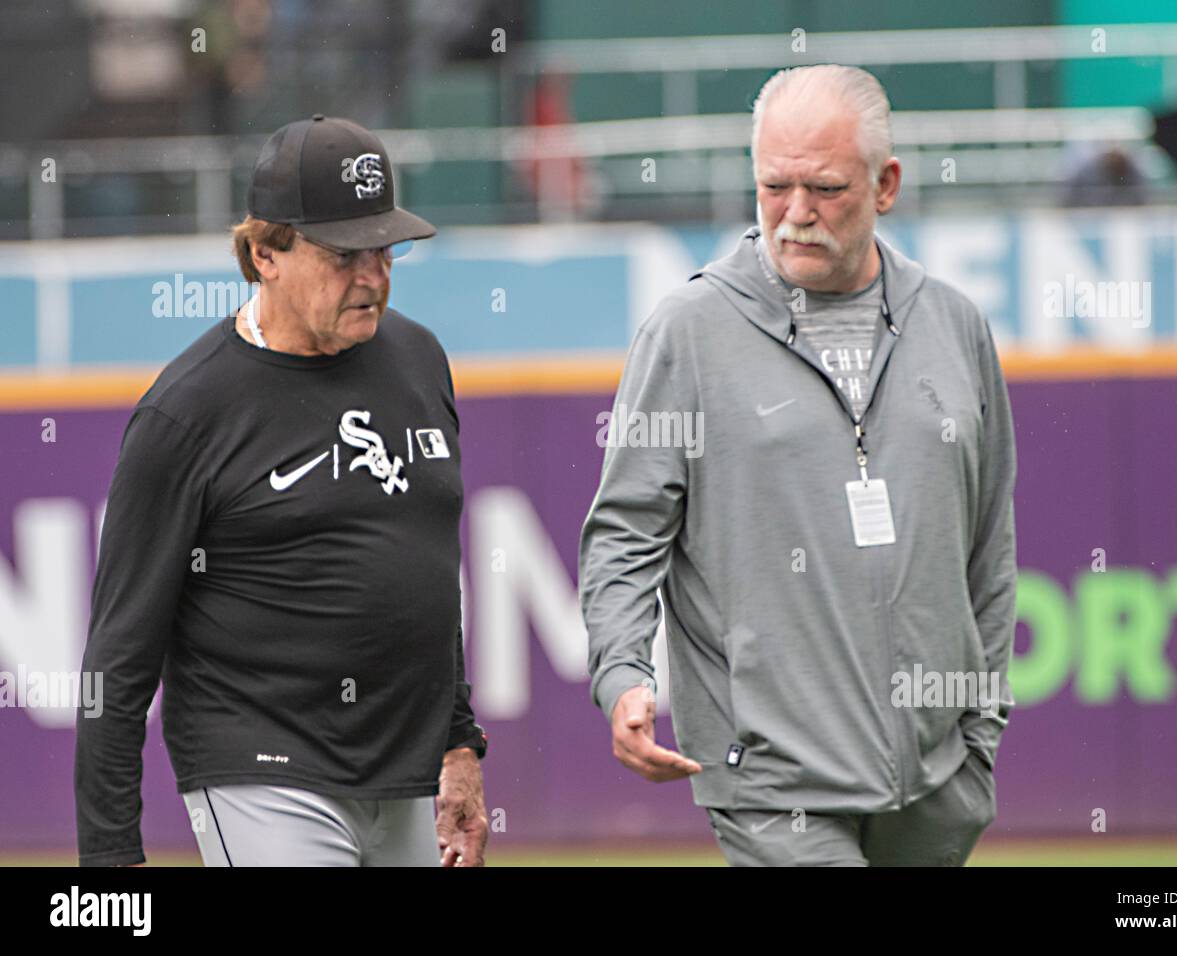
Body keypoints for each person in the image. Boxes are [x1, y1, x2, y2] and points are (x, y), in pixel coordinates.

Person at [579, 65, 1017, 866]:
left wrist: (980, 726)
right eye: (774, 186)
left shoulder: (954, 325)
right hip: (771, 785)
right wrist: (623, 677)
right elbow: (623, 536)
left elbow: (989, 547)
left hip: (937, 784)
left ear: (885, 185)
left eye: (824, 188)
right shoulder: (688, 332)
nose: (796, 215)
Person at [75, 114, 488, 867]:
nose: (373, 275)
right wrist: (110, 865)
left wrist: (459, 748)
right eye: (343, 254)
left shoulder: (420, 358)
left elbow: (428, 573)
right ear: (265, 252)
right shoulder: (187, 412)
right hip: (261, 768)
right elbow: (118, 658)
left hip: (402, 773)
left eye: (384, 248)